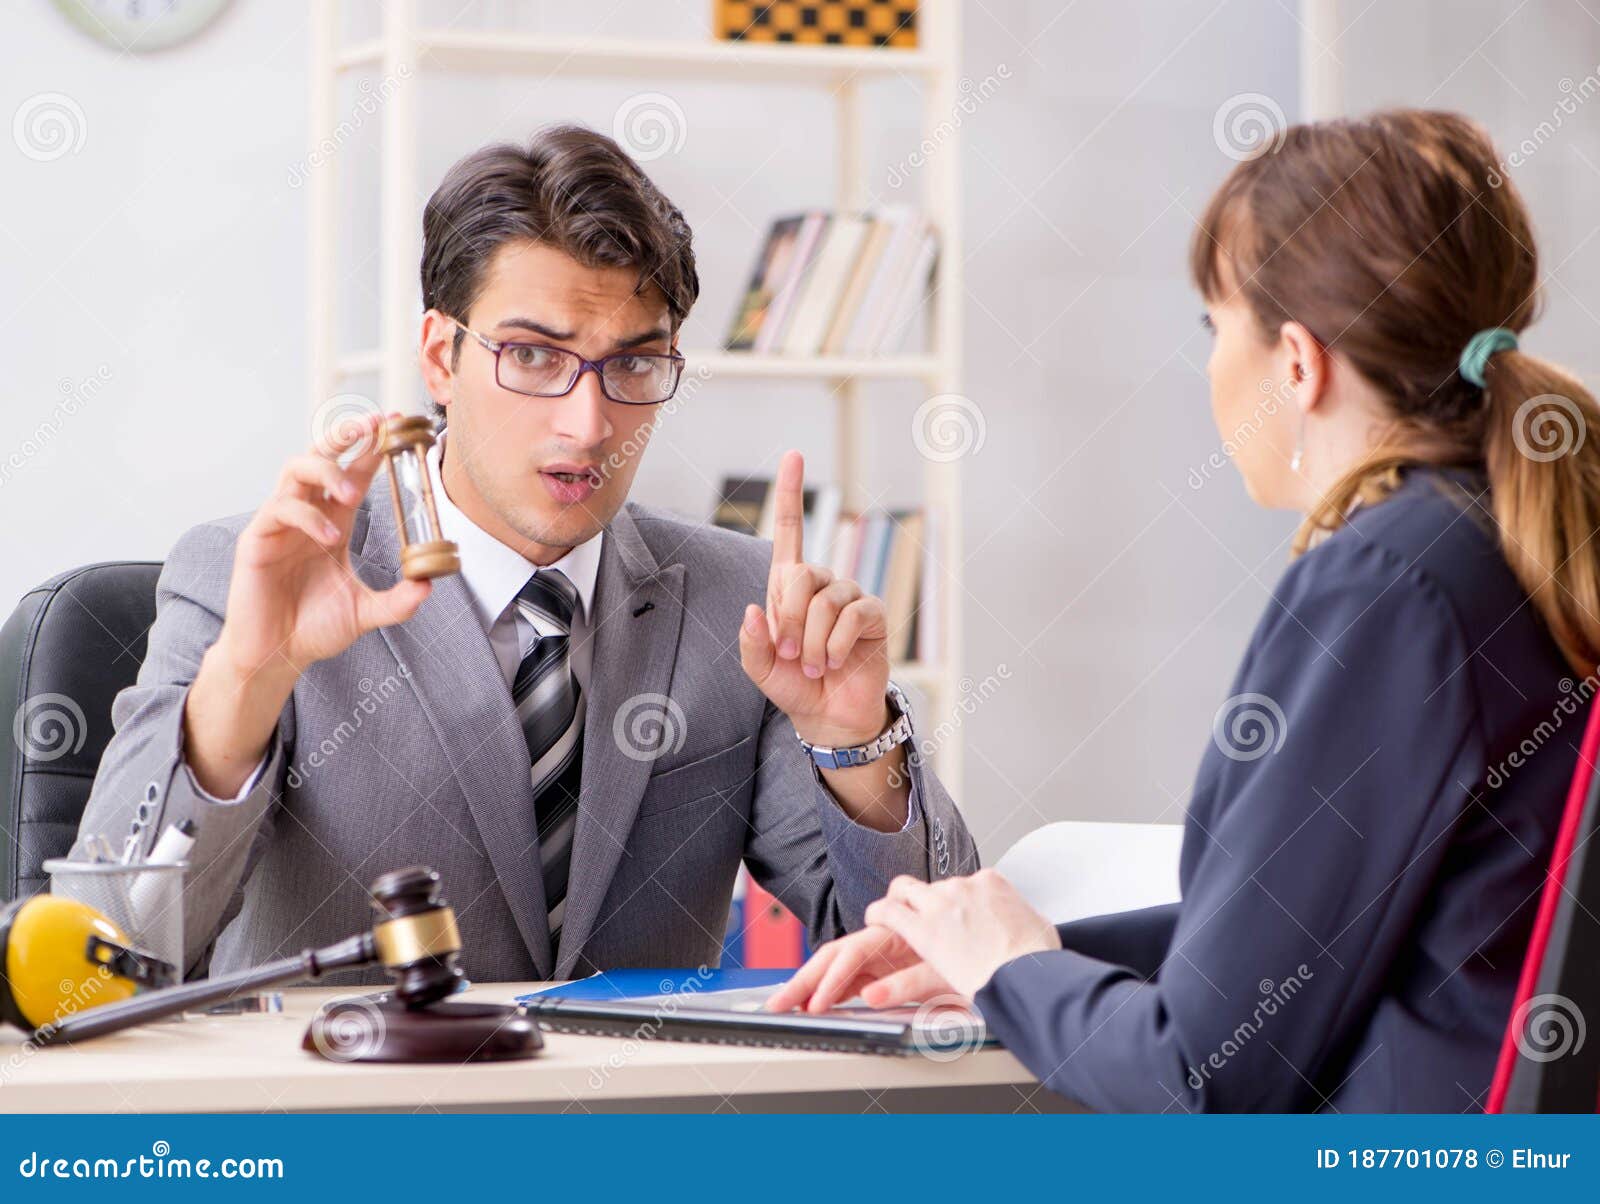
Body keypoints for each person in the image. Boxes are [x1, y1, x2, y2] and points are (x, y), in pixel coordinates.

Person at [769, 109, 1600, 1112]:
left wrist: (1016, 971)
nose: (1210, 366)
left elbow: (1201, 1073)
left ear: (1296, 362)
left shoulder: (1385, 581)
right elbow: (1311, 949)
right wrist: (1017, 957)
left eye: (1215, 328)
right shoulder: (1511, 543)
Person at [79, 125, 976, 984]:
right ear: (440, 357)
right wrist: (247, 679)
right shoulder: (254, 574)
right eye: (534, 357)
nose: (587, 425)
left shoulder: (738, 602)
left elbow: (922, 965)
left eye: (632, 365)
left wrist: (857, 743)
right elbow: (105, 960)